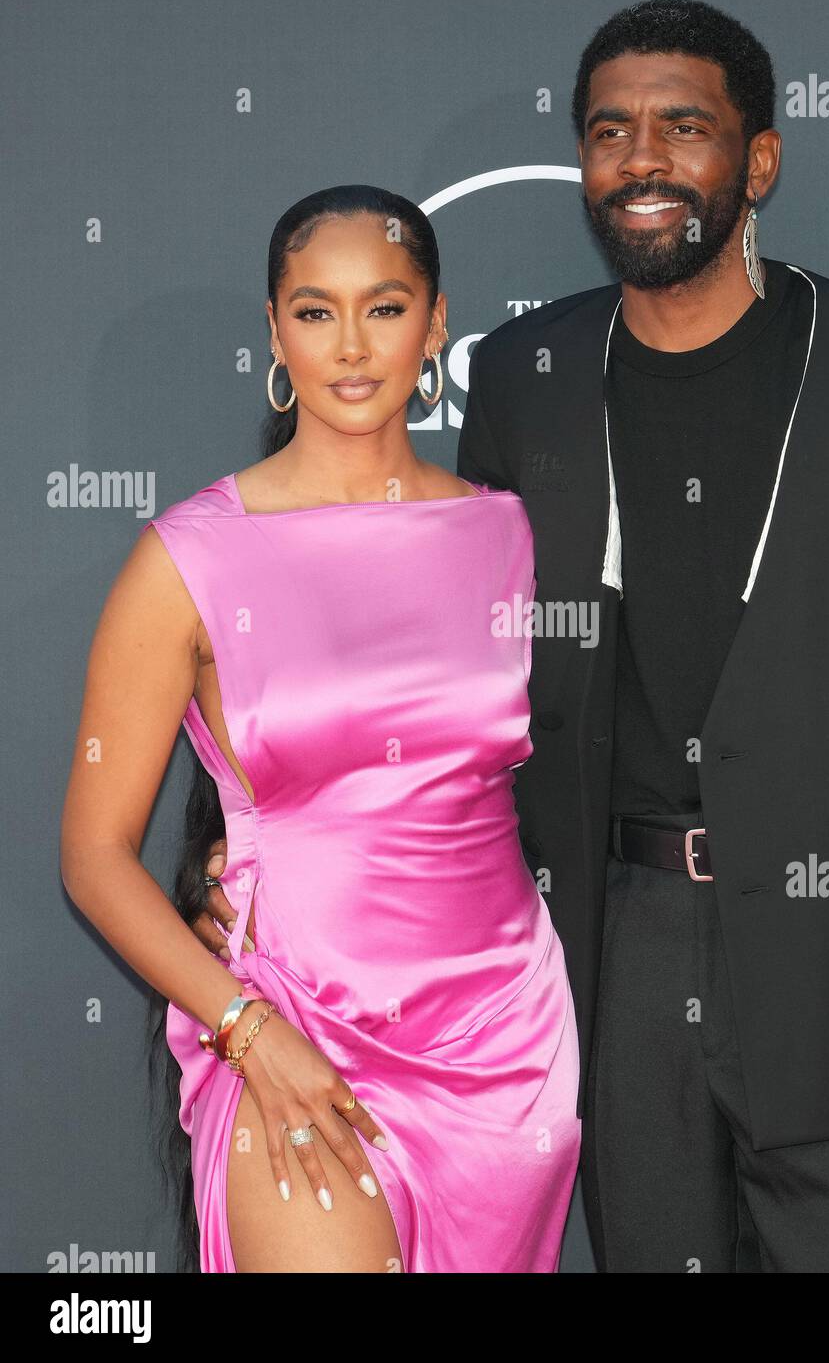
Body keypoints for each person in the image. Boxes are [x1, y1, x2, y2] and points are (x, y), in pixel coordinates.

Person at [190, 0, 829, 1273]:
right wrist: (270, 862)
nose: (640, 159)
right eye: (607, 131)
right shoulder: (528, 377)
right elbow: (446, 684)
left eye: (682, 127)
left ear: (757, 160)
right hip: (608, 962)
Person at [60, 184, 581, 1274]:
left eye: (384, 308)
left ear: (435, 325)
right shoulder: (187, 558)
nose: (350, 346)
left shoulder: (508, 537)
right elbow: (95, 855)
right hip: (287, 1026)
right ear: (273, 329)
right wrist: (246, 1029)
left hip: (503, 1038)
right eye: (314, 310)